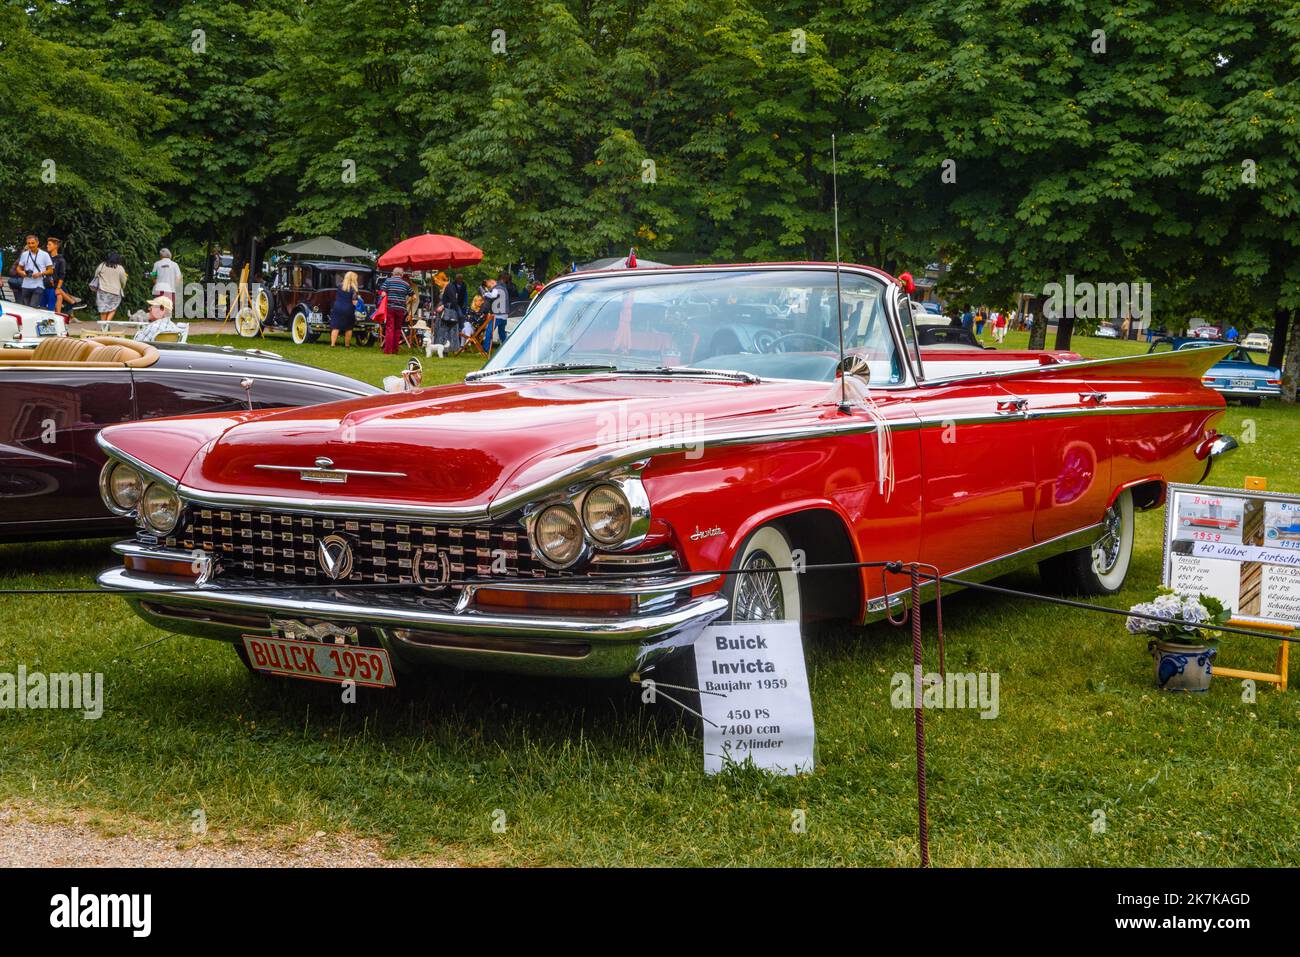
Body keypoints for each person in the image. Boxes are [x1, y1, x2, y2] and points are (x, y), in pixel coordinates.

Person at [377, 266, 415, 354]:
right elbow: (414, 296)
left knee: (389, 328)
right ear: (402, 275)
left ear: (393, 273)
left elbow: (382, 293)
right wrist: (407, 302)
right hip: (401, 309)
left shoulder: (388, 281)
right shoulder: (406, 284)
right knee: (397, 329)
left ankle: (387, 350)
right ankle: (395, 350)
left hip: (390, 307)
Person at [15, 234, 52, 307]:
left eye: (32, 243)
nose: (31, 245)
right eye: (29, 243)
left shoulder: (44, 254)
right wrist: (21, 272)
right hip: (25, 285)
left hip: (38, 285)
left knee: (32, 307)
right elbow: (18, 268)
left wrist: (40, 273)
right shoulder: (24, 254)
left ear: (37, 243)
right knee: (25, 308)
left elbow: (50, 270)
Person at [93, 252, 129, 324]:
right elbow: (123, 280)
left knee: (103, 309)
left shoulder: (102, 265)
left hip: (102, 290)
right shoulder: (120, 268)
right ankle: (107, 323)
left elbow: (96, 274)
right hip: (115, 292)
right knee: (113, 308)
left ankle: (103, 326)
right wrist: (123, 286)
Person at [330, 271, 360, 347]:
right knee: (349, 327)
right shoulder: (354, 290)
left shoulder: (340, 286)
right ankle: (347, 345)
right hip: (348, 309)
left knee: (335, 326)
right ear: (353, 279)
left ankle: (332, 344)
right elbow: (354, 302)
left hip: (337, 307)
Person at [150, 248, 183, 312]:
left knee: (158, 308)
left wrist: (155, 282)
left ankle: (159, 320)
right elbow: (179, 277)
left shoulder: (157, 263)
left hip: (158, 289)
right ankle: (167, 320)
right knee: (168, 308)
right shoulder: (175, 264)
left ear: (161, 256)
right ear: (169, 255)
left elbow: (153, 275)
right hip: (170, 289)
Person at [481, 276, 508, 350]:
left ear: (493, 282)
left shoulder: (497, 288)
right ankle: (506, 348)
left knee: (489, 332)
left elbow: (493, 295)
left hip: (498, 315)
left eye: (490, 286)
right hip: (504, 315)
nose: (490, 288)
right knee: (502, 333)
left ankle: (486, 350)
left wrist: (485, 294)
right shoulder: (503, 288)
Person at [43, 237, 67, 311]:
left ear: (55, 246)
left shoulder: (61, 260)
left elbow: (62, 275)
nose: (47, 246)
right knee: (42, 307)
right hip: (44, 285)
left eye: (49, 244)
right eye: (47, 244)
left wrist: (58, 288)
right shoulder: (46, 258)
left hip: (54, 286)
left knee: (52, 306)